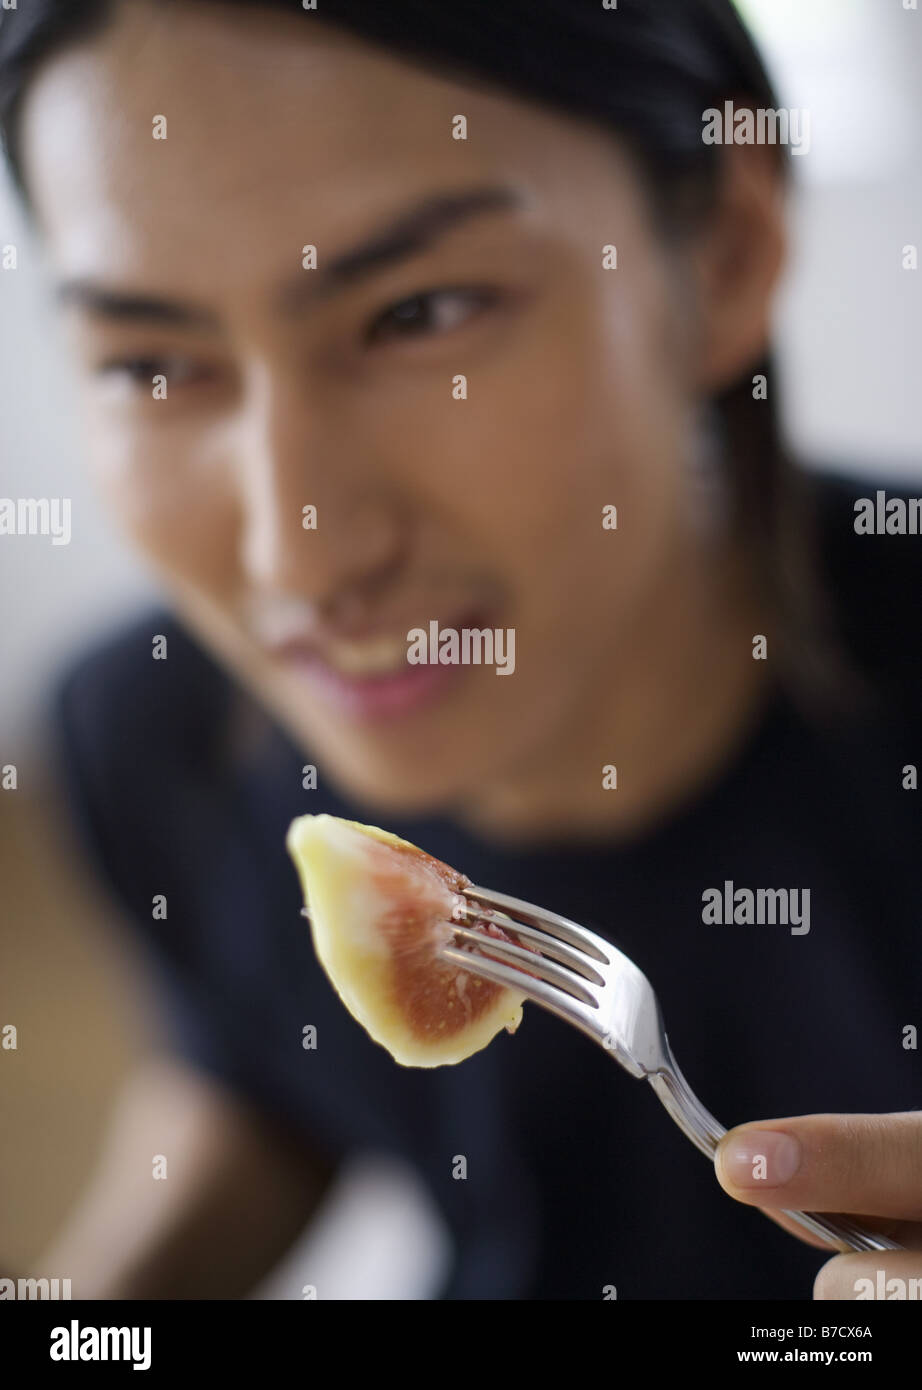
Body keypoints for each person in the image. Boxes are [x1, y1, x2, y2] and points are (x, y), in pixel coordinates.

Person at [1, 0, 919, 1300]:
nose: (299, 561)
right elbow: (257, 1066)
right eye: (151, 365)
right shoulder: (150, 731)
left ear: (722, 251)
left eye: (421, 312)